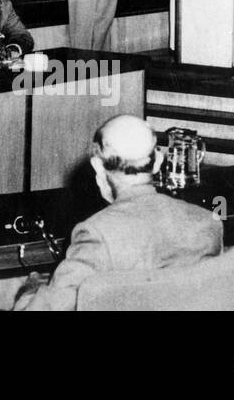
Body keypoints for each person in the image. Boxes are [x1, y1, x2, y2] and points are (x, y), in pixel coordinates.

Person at [11, 115, 222, 311]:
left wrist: (28, 292)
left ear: (97, 167)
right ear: (158, 162)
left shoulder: (95, 232)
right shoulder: (208, 221)